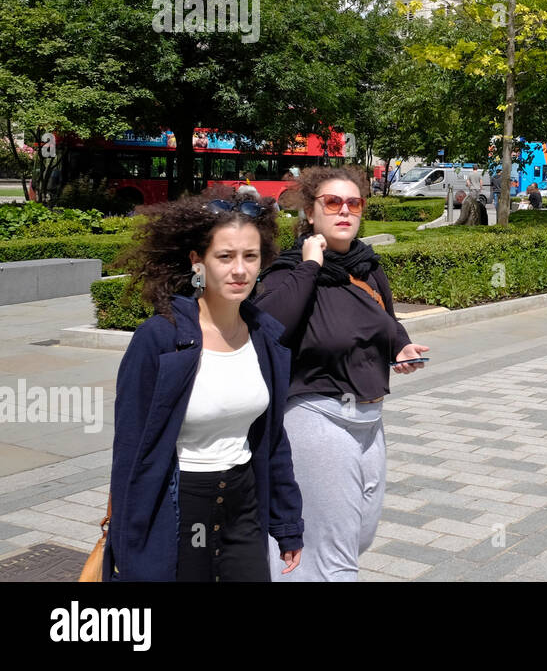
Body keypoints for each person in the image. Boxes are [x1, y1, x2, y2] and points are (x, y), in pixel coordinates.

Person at [108, 189, 303, 582]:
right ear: (198, 262)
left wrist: (286, 523)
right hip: (181, 505)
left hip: (243, 501)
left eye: (250, 257)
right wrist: (128, 546)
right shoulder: (161, 340)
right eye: (225, 257)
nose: (239, 270)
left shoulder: (265, 336)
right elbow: (131, 452)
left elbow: (273, 438)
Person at [254, 165, 428, 581]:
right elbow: (269, 323)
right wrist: (310, 268)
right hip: (316, 416)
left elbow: (384, 321)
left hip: (370, 419)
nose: (344, 211)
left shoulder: (367, 266)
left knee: (358, 536)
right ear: (310, 213)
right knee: (331, 552)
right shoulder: (289, 270)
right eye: (332, 202)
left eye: (353, 203)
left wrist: (399, 346)